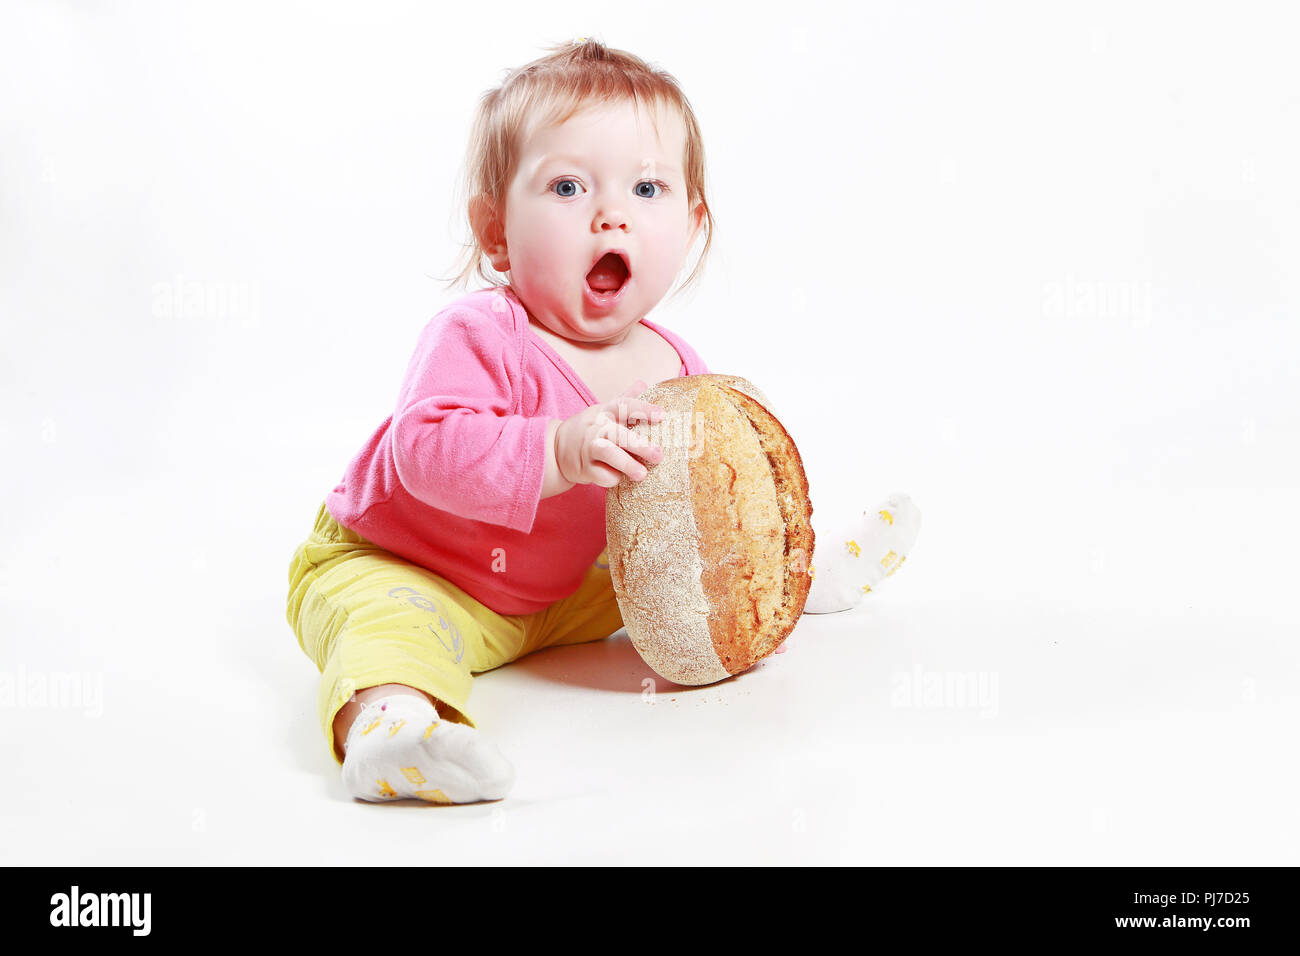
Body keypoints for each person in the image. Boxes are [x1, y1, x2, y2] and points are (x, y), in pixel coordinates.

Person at [284, 37, 920, 805]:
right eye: (568, 187)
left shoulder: (675, 367)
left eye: (647, 190)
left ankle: (800, 570)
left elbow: (683, 511)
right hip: (418, 569)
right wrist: (557, 448)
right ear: (495, 232)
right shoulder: (483, 336)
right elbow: (423, 450)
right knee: (387, 634)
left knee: (679, 556)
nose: (611, 216)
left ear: (689, 224)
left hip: (563, 593)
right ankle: (393, 734)